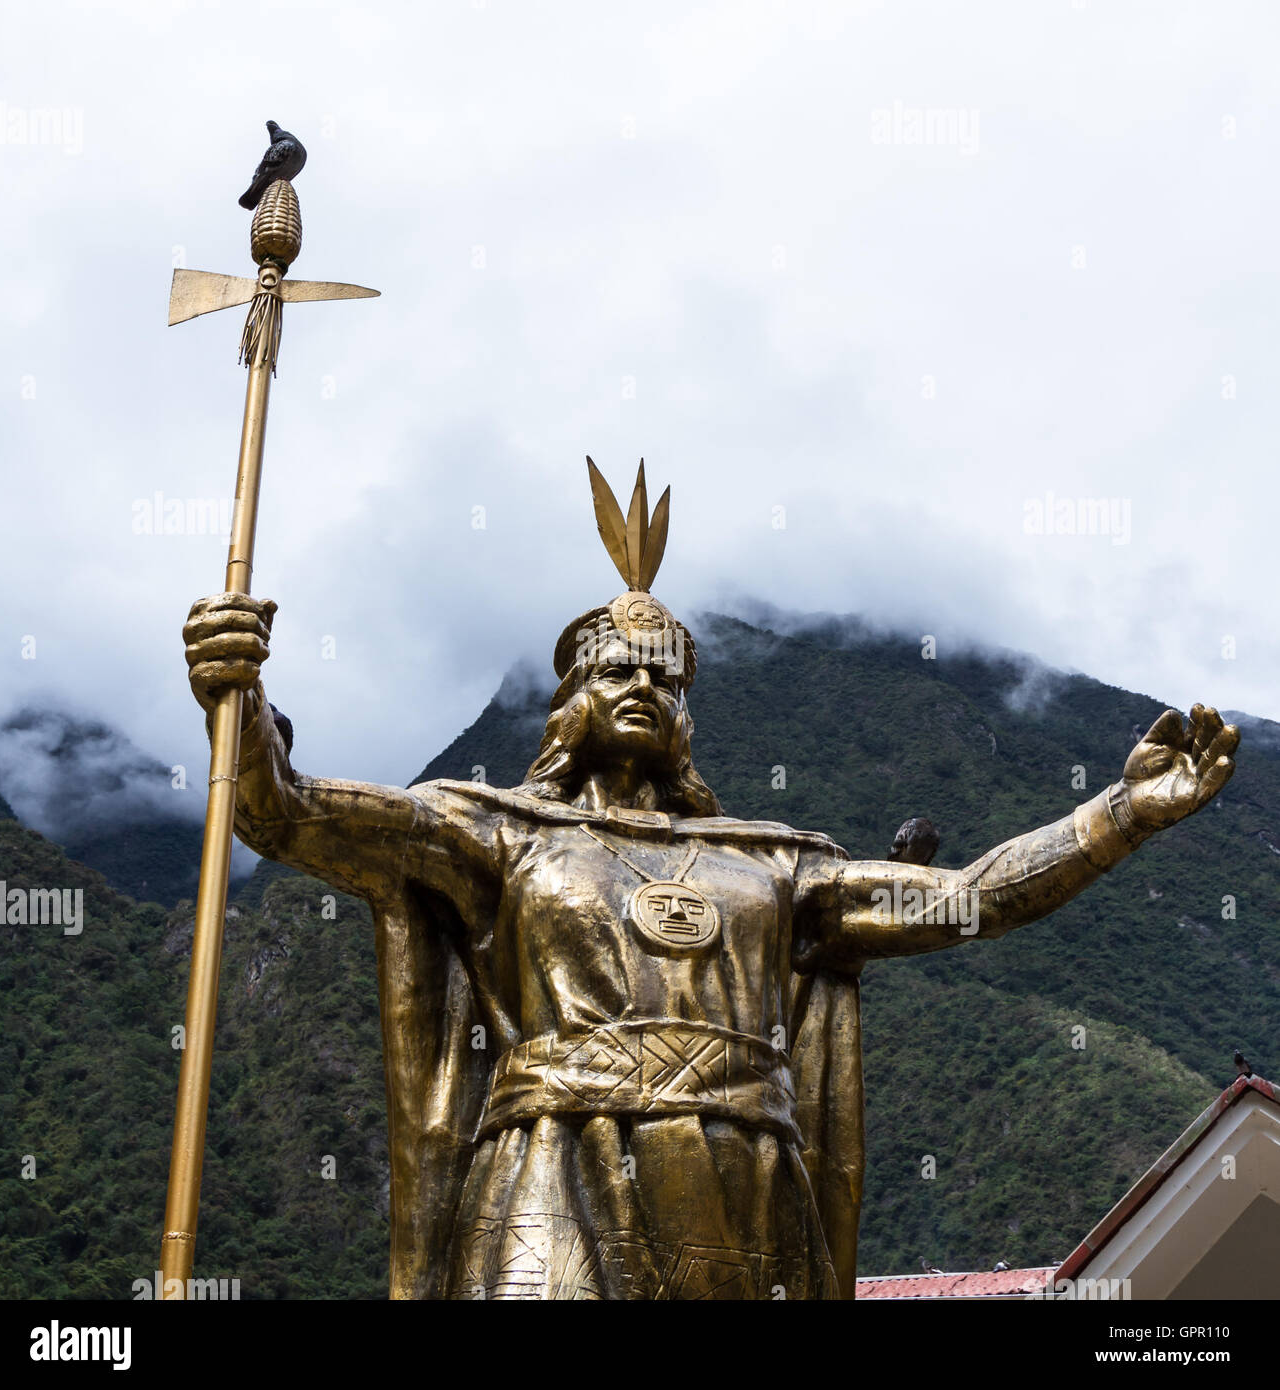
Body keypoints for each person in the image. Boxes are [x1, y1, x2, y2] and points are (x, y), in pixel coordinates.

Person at [182, 465, 1238, 1300]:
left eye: (664, 676)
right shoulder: (495, 831)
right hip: (553, 1162)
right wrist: (242, 697)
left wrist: (1119, 814)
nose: (640, 685)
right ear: (570, 699)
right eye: (614, 668)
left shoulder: (773, 863)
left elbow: (970, 896)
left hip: (741, 1182)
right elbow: (293, 815)